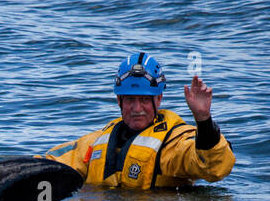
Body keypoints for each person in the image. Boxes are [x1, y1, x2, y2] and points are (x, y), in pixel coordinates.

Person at [42, 52, 235, 188]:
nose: (136, 109)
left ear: (159, 99)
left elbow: (214, 168)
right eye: (130, 100)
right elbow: (52, 162)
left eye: (144, 100)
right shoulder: (99, 141)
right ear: (119, 100)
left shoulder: (174, 143)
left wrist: (203, 119)